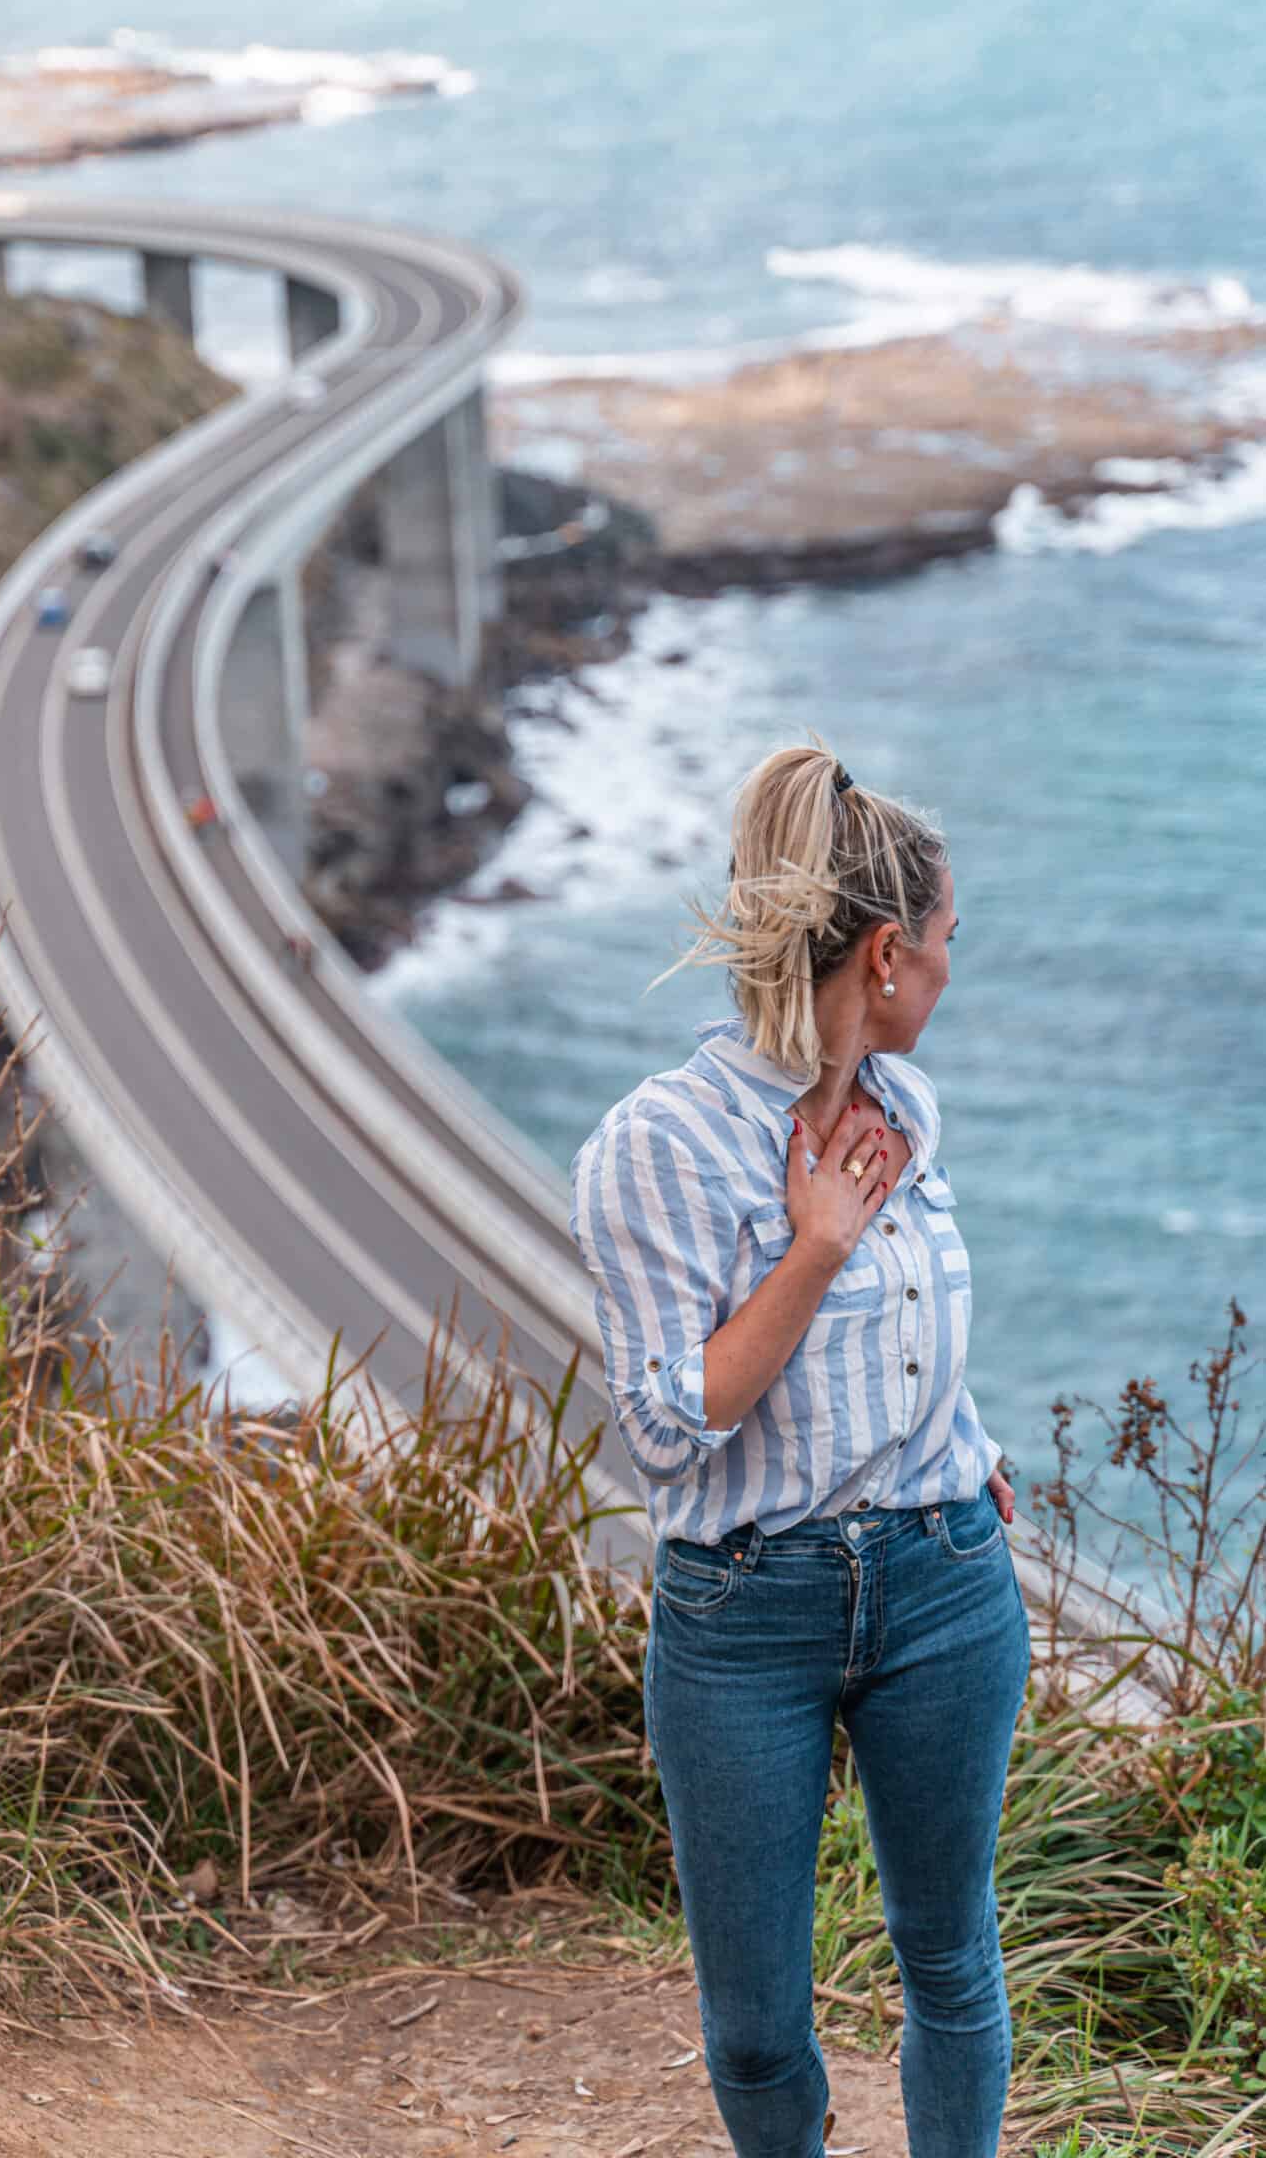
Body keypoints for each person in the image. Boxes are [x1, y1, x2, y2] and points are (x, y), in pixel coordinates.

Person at [569, 742, 1027, 2158]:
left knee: (949, 1961)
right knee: (759, 2025)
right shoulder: (660, 1145)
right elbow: (658, 1429)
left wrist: (966, 1440)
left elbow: (908, 1334)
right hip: (742, 1612)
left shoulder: (910, 1112)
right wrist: (813, 1251)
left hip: (943, 1578)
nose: (956, 967)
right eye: (950, 941)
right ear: (886, 954)